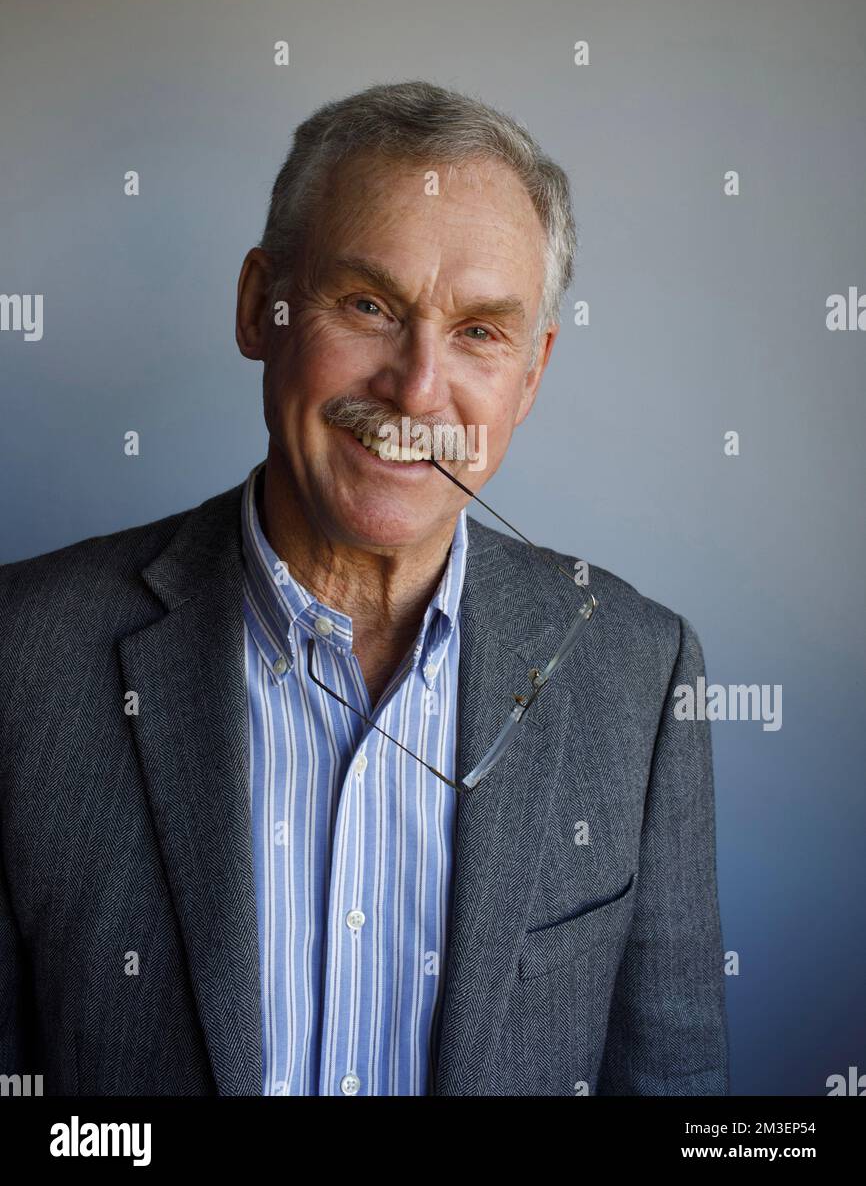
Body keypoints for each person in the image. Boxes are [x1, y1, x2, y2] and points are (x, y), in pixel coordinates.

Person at [0, 80, 728, 1096]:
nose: (416, 387)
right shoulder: (23, 660)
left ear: (530, 372)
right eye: (369, 305)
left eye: (479, 330)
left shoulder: (638, 673)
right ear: (263, 306)